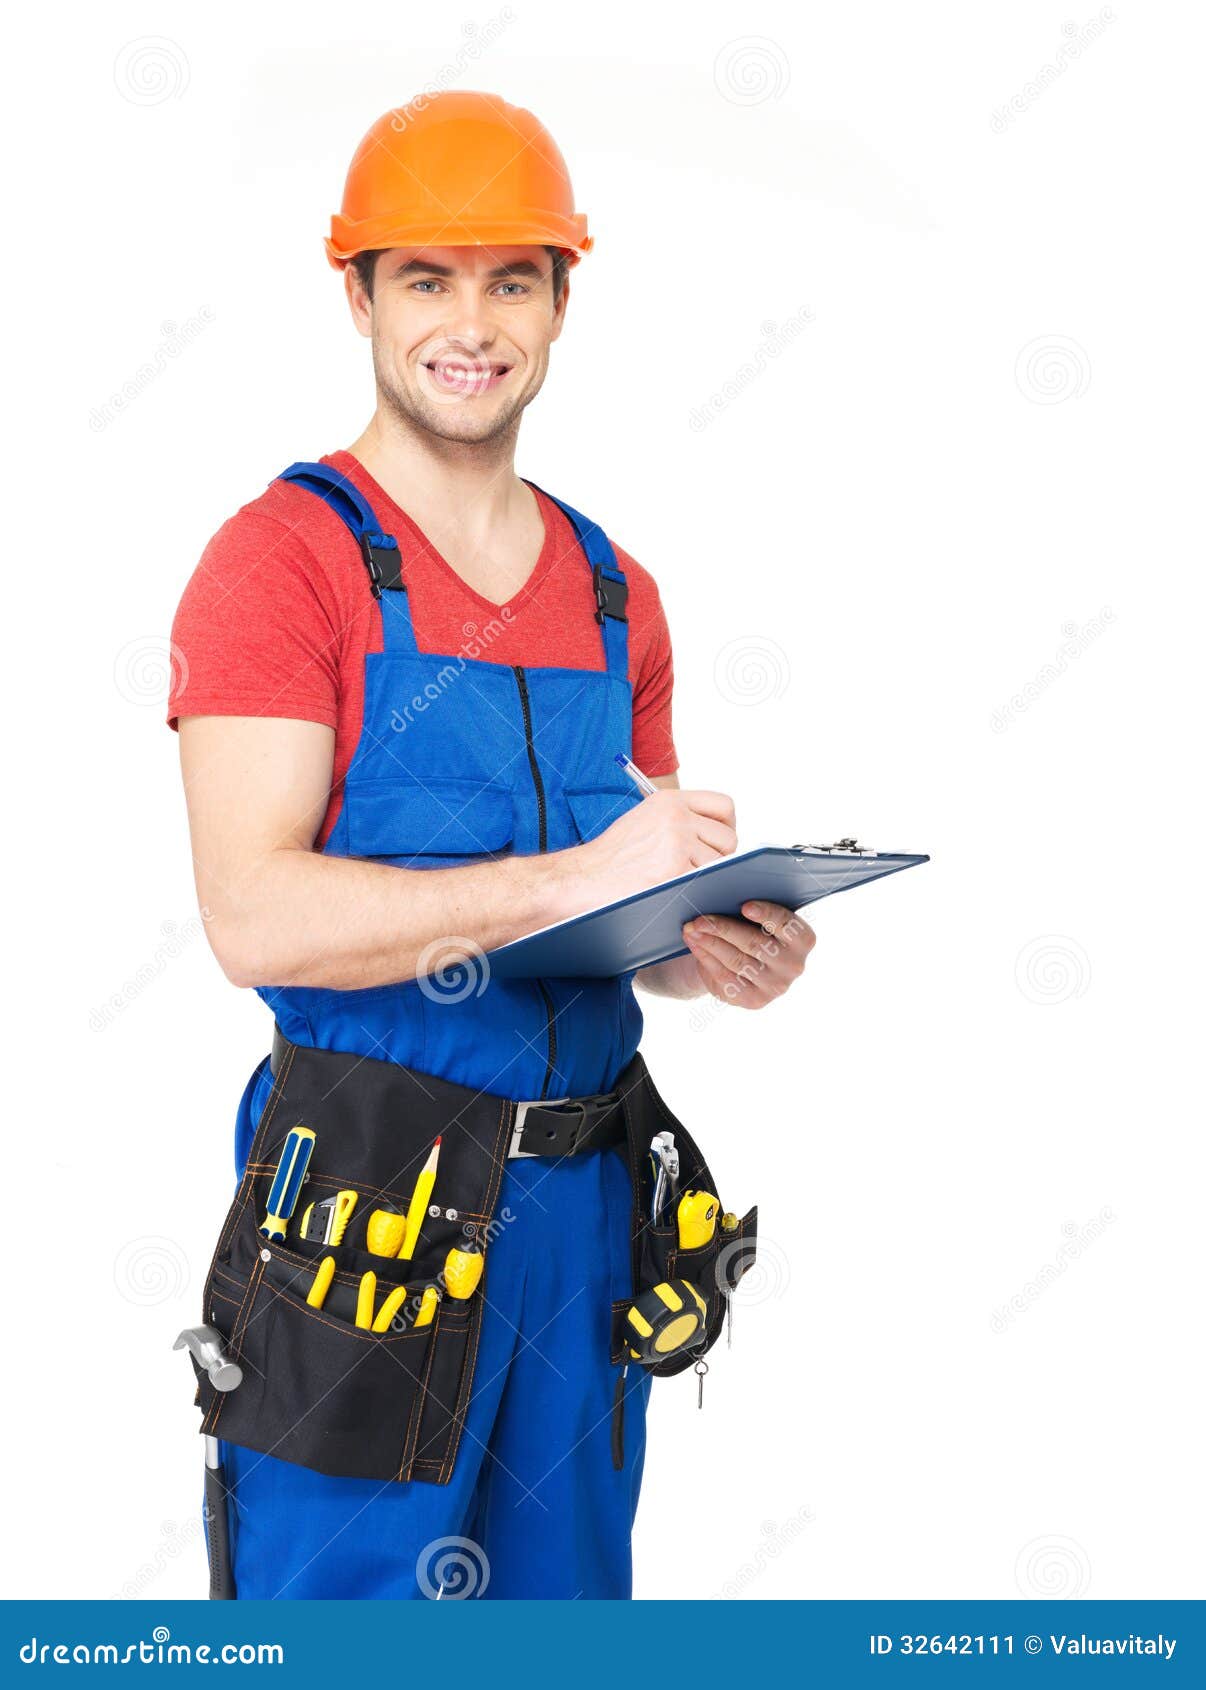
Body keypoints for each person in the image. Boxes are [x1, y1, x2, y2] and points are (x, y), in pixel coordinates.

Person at [169, 89, 814, 1600]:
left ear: (562, 299)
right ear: (357, 293)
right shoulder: (283, 564)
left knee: (564, 1626)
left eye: (511, 278)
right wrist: (591, 875)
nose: (473, 323)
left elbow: (620, 911)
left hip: (586, 1222)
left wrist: (704, 945)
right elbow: (252, 917)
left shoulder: (613, 589)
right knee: (353, 1627)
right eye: (426, 277)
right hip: (372, 1218)